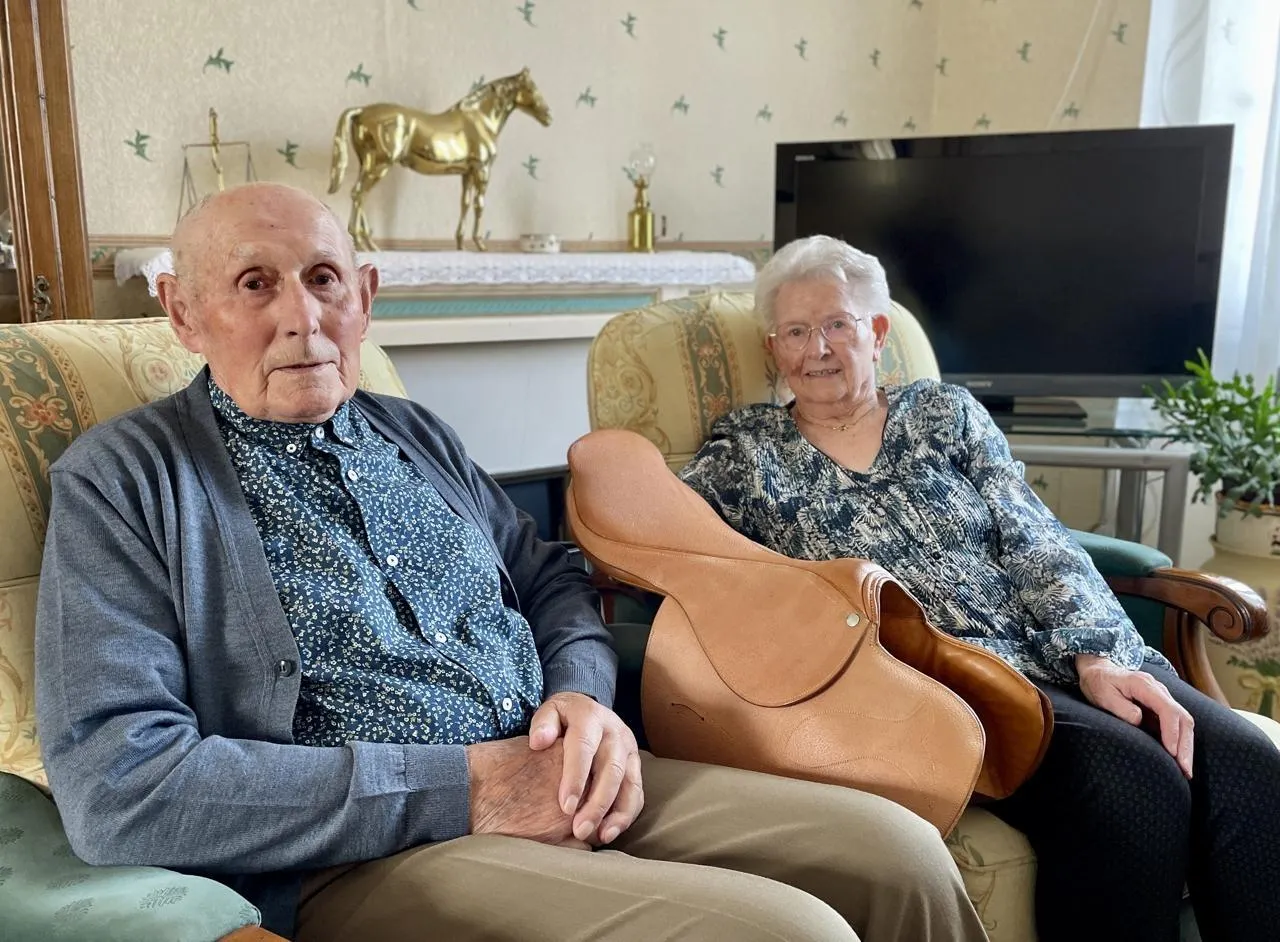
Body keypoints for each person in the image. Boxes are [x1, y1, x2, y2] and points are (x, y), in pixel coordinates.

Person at [34, 184, 990, 942]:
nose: (302, 317)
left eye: (323, 279)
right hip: (368, 852)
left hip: (570, 765)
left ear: (364, 298)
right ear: (184, 312)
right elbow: (122, 786)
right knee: (788, 935)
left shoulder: (413, 435)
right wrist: (471, 785)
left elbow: (552, 579)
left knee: (897, 854)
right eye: (254, 285)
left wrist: (581, 695)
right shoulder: (124, 480)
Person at [678, 234, 1280, 942]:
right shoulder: (744, 451)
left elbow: (1034, 534)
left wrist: (1095, 656)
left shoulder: (945, 413)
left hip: (1051, 645)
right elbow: (664, 535)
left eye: (837, 324)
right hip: (933, 682)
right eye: (796, 332)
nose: (817, 348)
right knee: (1136, 781)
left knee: (1249, 770)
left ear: (876, 333)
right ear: (774, 349)